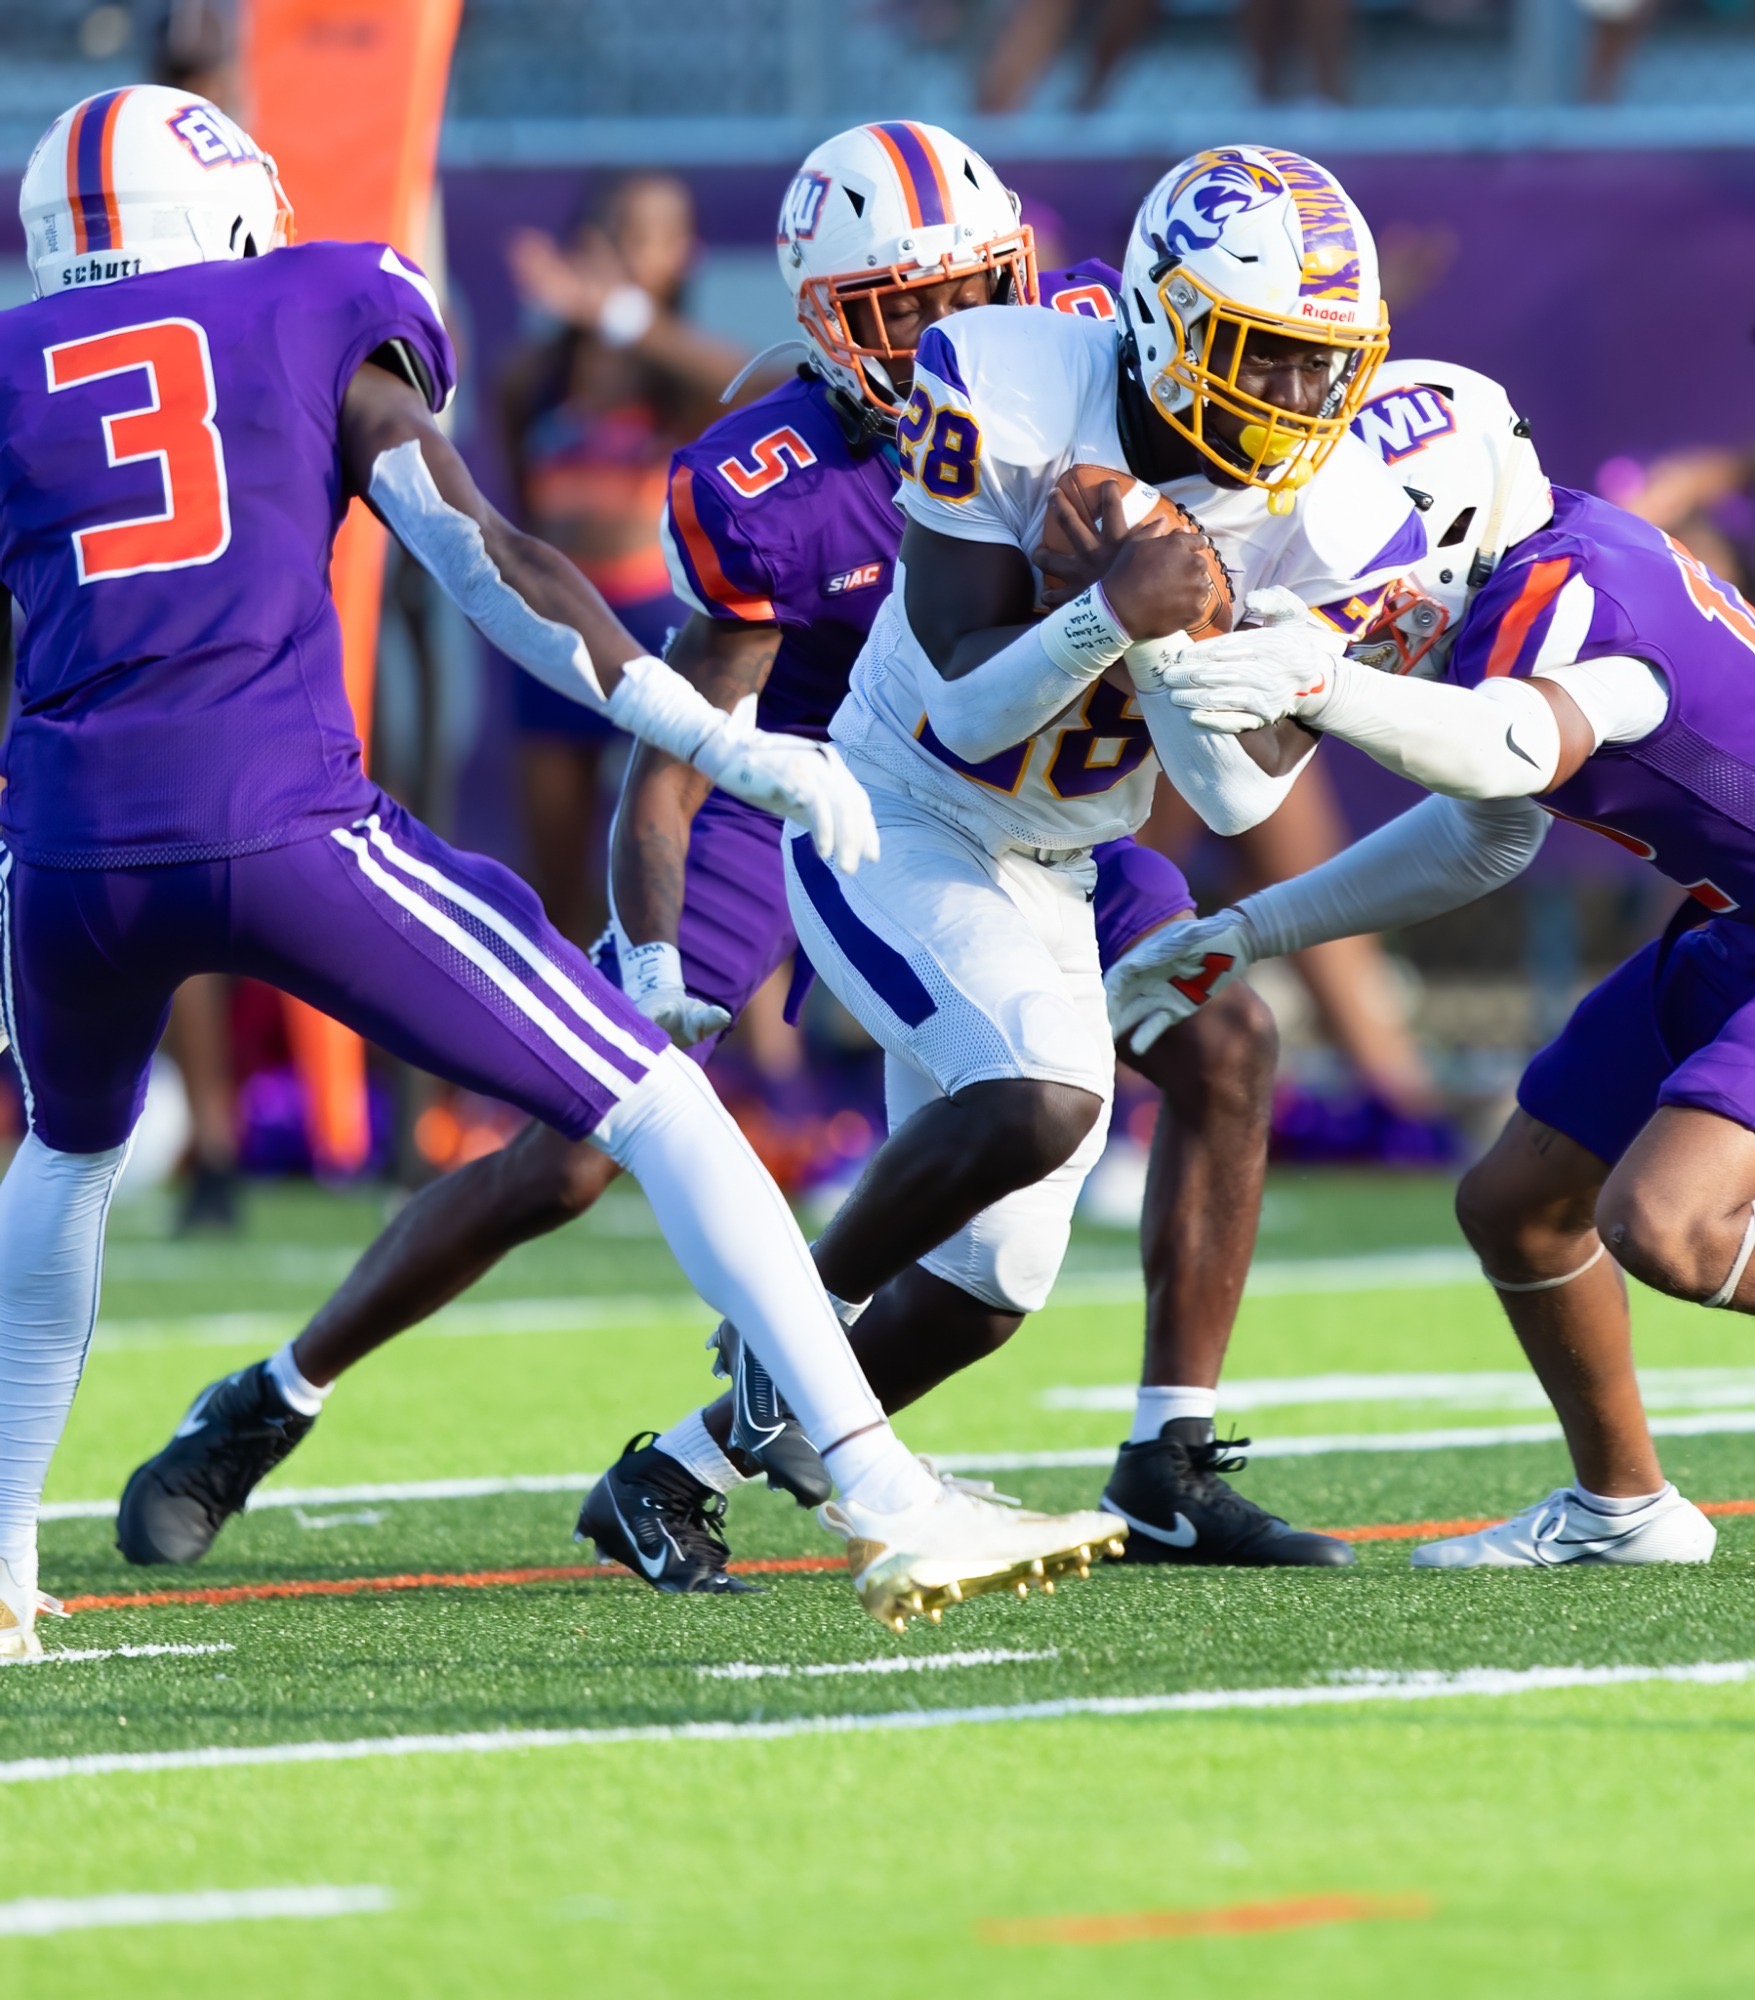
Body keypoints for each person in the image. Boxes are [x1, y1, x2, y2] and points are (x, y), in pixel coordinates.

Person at [118, 127, 1348, 1589]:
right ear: (829, 323)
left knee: (1222, 1036)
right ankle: (267, 1401)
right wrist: (645, 956)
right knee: (579, 1140)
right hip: (803, 788)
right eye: (900, 312)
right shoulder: (781, 472)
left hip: (1026, 804)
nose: (944, 336)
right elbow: (689, 731)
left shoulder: (1086, 354)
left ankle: (1161, 1455)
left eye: (969, 291)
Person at [1121, 357, 1739, 1567]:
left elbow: (1511, 745)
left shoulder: (1584, 588)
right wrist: (1251, 927)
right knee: (1517, 1209)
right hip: (1739, 919)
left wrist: (1326, 683)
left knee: (1673, 1225)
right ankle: (1625, 1509)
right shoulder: (1524, 575)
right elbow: (1486, 831)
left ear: (1448, 518)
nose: (1348, 582)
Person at [500, 178, 742, 949]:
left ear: (683, 256)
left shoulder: (687, 379)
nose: (627, 253)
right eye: (615, 233)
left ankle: (749, 1065)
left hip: (658, 631)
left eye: (650, 235)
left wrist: (620, 315)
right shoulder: (530, 381)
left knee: (688, 863)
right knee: (558, 872)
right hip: (556, 634)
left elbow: (745, 387)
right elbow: (522, 513)